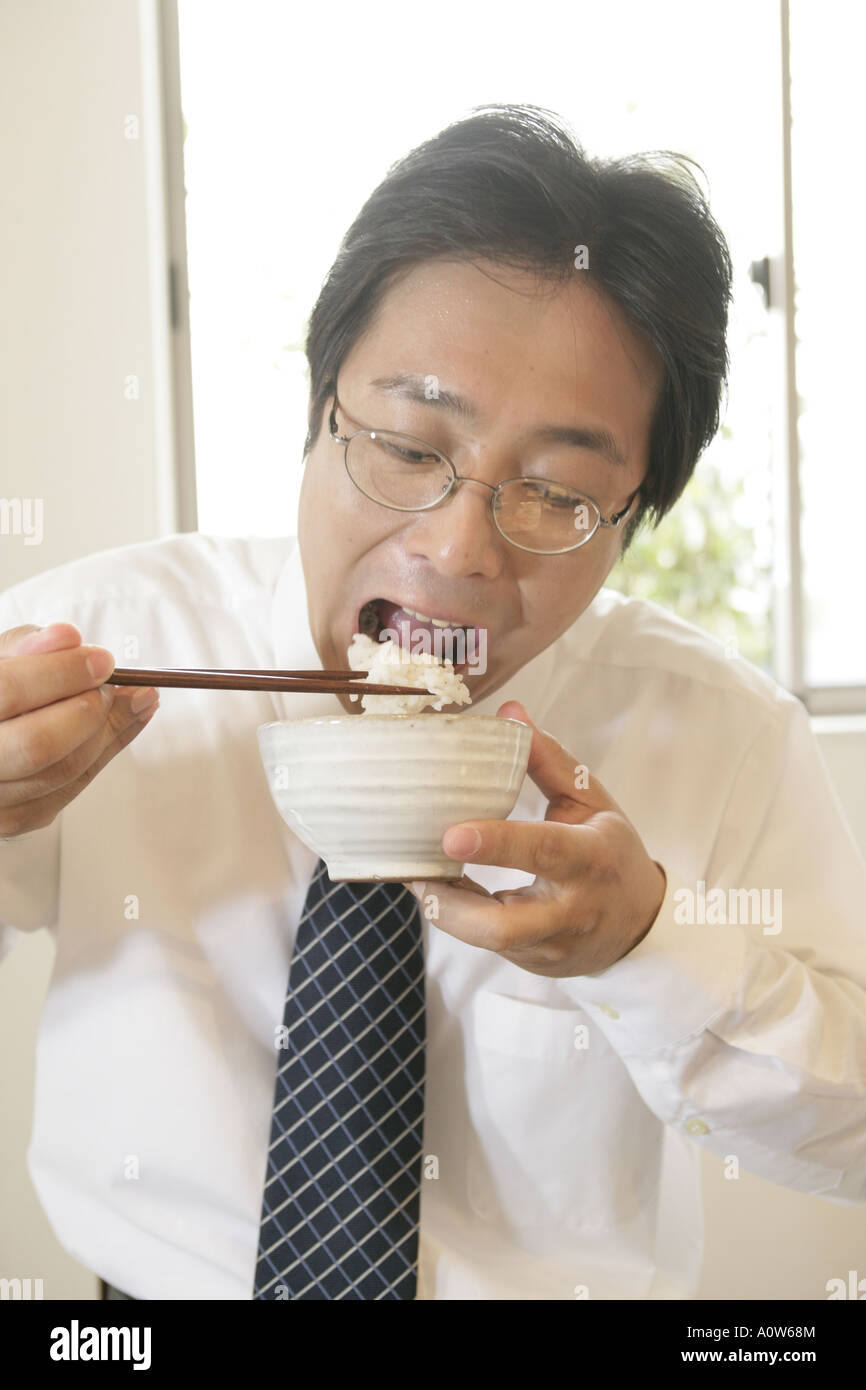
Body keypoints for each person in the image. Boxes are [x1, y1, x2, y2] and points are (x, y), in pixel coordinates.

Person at [1, 104, 864, 1302]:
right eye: (407, 447)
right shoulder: (99, 643)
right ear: (318, 412)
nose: (459, 549)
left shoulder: (717, 735)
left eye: (558, 493)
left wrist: (647, 946)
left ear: (629, 521)